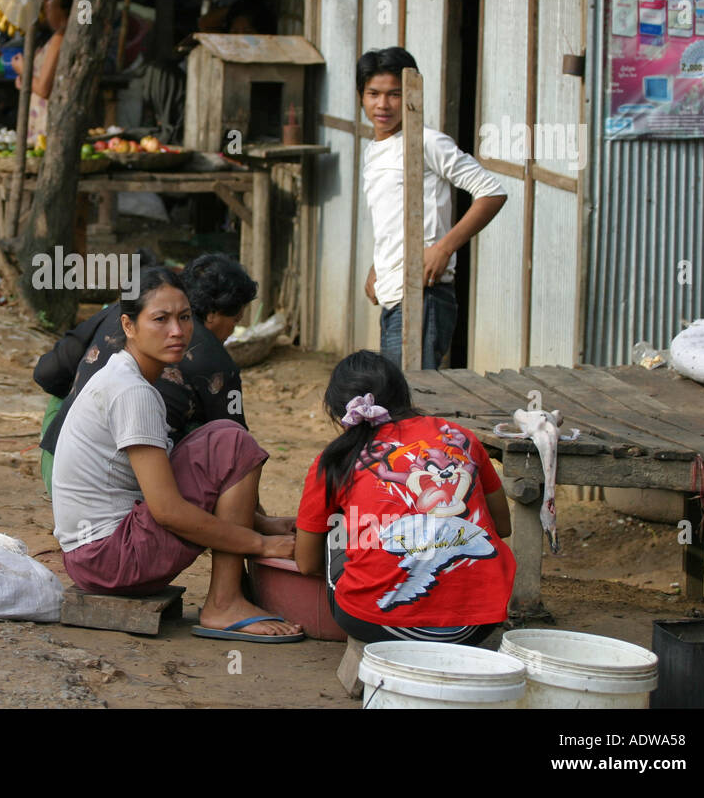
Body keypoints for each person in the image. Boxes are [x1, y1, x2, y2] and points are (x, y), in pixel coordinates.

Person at [51, 267, 303, 640]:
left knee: (220, 438)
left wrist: (262, 522)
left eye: (184, 318)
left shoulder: (128, 376)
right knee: (231, 443)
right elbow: (167, 510)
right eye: (160, 319)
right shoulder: (131, 391)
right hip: (110, 560)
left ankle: (228, 598)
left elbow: (164, 480)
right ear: (129, 326)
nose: (177, 331)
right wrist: (261, 544)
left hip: (94, 557)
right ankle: (224, 602)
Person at [293, 350, 514, 647]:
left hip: (376, 624)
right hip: (476, 625)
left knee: (337, 524)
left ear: (339, 409)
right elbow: (501, 527)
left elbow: (306, 563)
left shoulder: (335, 461)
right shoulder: (460, 437)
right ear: (403, 395)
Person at [35, 252, 258, 495]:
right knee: (221, 437)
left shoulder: (126, 311)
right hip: (123, 490)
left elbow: (48, 373)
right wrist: (253, 530)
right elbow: (236, 451)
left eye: (184, 318)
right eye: (234, 321)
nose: (176, 331)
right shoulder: (213, 362)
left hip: (64, 471)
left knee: (70, 391)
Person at [358, 47, 507, 370]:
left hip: (424, 296)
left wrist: (443, 249)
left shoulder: (427, 142)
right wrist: (378, 266)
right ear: (361, 97)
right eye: (374, 94)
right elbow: (395, 219)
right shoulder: (374, 150)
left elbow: (492, 192)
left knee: (411, 399)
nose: (383, 104)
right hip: (393, 294)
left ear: (410, 94)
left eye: (394, 95)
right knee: (402, 397)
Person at [12, 0, 76, 141]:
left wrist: (23, 70)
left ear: (63, 8)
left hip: (47, 121)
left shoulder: (59, 39)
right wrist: (26, 79)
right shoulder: (65, 36)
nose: (46, 5)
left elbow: (43, 89)